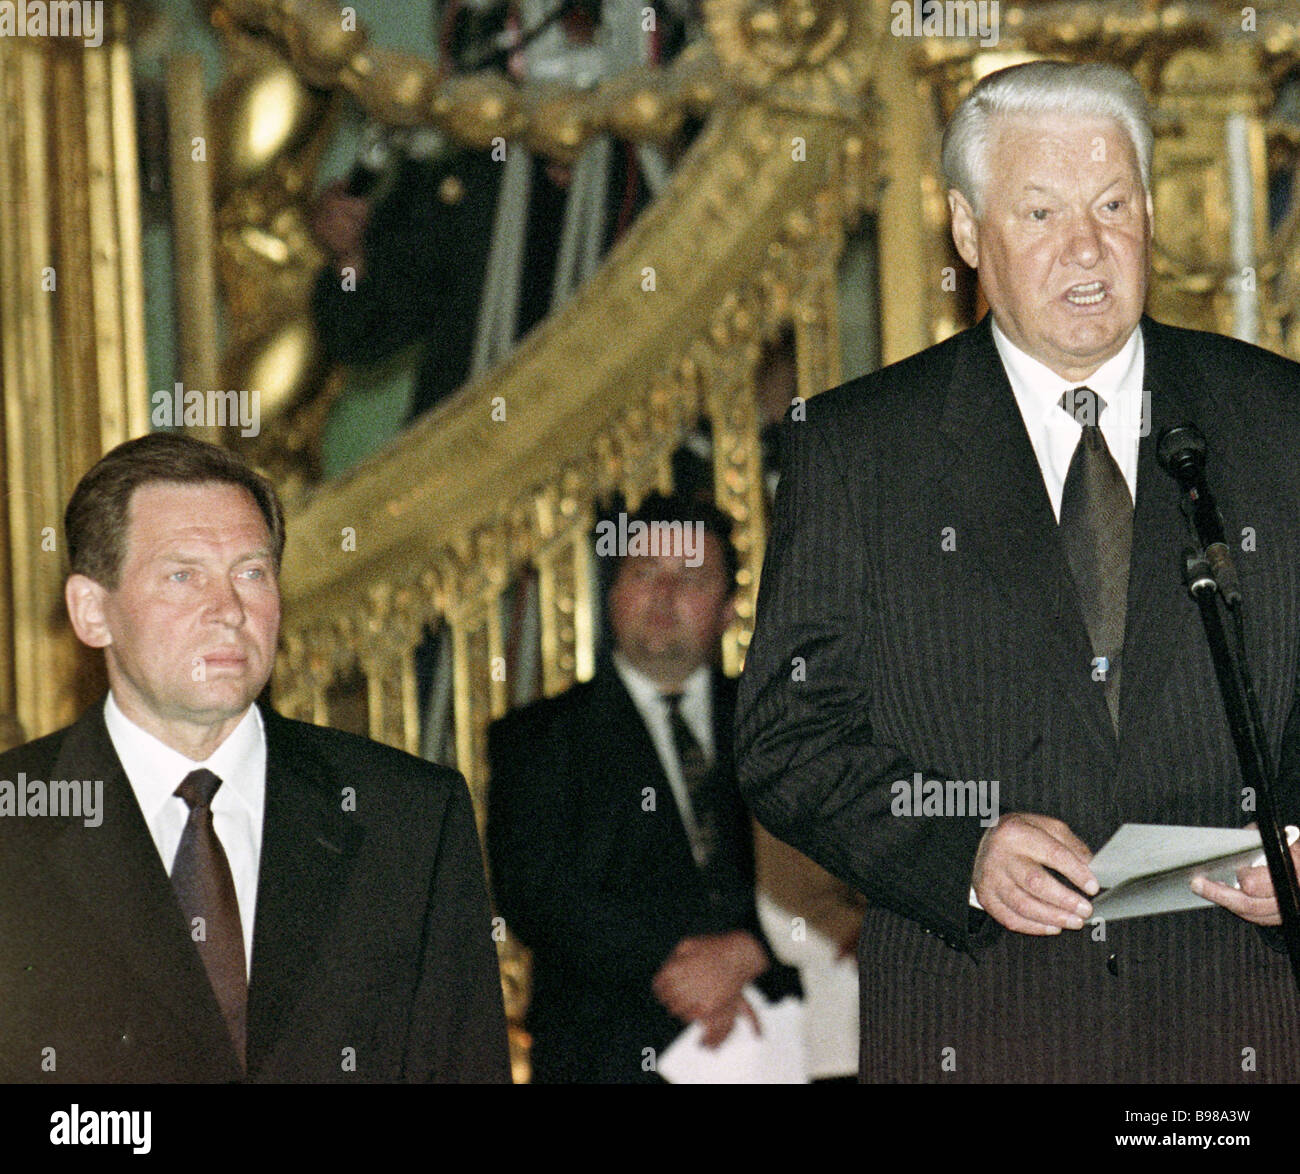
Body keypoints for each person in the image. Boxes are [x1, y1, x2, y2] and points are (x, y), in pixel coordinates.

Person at [735, 60, 1300, 1083]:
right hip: (984, 1017)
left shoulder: (1276, 417)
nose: (1086, 248)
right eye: (1040, 212)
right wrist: (960, 849)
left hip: (1235, 1017)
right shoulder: (863, 448)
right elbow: (787, 731)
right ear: (965, 229)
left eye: (1113, 205)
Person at [0, 432, 510, 1083]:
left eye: (251, 573)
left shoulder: (407, 816)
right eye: (182, 576)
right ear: (92, 611)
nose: (229, 611)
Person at [487, 493, 800, 1083]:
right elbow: (536, 893)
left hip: (785, 1034)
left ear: (729, 608)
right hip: (607, 1049)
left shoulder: (781, 725)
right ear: (611, 596)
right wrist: (686, 970)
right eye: (644, 572)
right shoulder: (536, 739)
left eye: (691, 578)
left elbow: (834, 867)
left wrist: (752, 949)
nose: (664, 596)